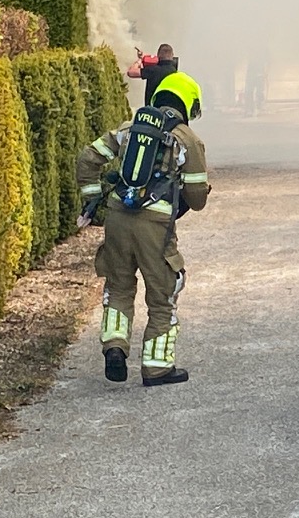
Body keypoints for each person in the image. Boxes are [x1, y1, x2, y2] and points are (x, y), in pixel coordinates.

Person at [77, 71, 211, 388]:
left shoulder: (128, 130)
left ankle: (114, 347)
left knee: (119, 287)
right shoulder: (187, 140)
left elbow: (88, 158)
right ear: (187, 105)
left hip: (118, 219)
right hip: (155, 227)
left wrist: (93, 199)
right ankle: (157, 367)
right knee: (163, 294)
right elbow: (196, 198)